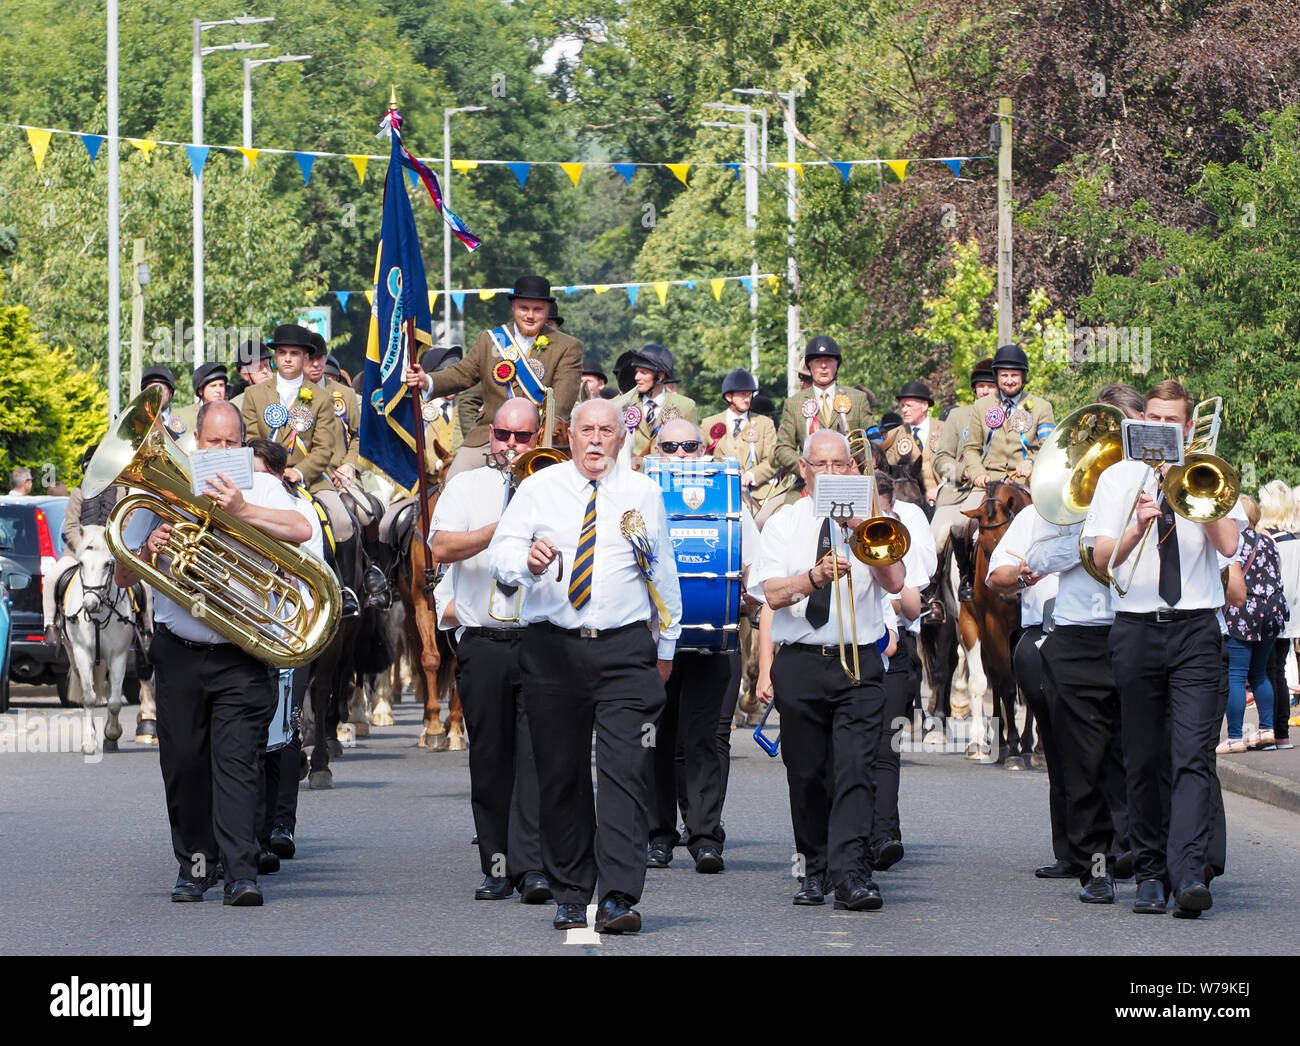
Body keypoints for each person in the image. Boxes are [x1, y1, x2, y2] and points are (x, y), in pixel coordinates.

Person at [488, 397, 681, 934]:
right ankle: (572, 893)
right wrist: (526, 561)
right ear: (568, 436)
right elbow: (502, 553)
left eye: (606, 431)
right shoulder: (538, 488)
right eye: (586, 431)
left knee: (626, 773)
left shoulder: (643, 492)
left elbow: (662, 571)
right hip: (554, 649)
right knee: (562, 774)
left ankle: (619, 896)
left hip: (624, 650)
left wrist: (666, 648)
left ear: (622, 438)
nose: (596, 441)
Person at [114, 400, 313, 906]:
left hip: (241, 653)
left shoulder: (265, 487)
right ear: (196, 443)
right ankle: (194, 868)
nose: (222, 451)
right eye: (213, 442)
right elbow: (122, 575)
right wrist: (147, 549)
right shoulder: (160, 492)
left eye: (231, 443)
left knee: (236, 761)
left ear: (243, 445)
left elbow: (302, 530)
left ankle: (240, 874)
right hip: (179, 652)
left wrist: (243, 511)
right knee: (183, 765)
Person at [1083, 379, 1246, 918]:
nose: (1160, 428)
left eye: (1171, 421)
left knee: (1193, 757)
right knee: (1145, 756)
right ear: (1141, 421)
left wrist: (1199, 488)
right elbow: (1103, 557)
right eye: (1151, 419)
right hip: (1135, 627)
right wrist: (1136, 525)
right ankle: (1150, 872)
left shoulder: (1209, 472)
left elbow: (1228, 546)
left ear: (1187, 425)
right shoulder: (1116, 478)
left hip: (1197, 629)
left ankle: (1190, 874)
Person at [750, 429, 906, 910]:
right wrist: (812, 578)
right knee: (808, 773)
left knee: (857, 769)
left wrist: (863, 528)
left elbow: (896, 581)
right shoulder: (784, 523)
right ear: (804, 470)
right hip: (802, 659)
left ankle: (853, 874)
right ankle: (812, 867)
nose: (833, 474)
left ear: (853, 470)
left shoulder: (876, 520)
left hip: (858, 660)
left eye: (842, 465)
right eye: (823, 465)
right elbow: (771, 594)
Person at [1026, 383, 1144, 903]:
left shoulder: (1149, 489)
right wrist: (1093, 539)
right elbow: (1036, 560)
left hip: (1136, 629)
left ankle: (1138, 852)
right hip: (1077, 637)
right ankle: (1095, 867)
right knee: (1086, 759)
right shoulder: (1070, 501)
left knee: (1135, 752)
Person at [429, 399, 549, 903]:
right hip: (486, 642)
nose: (513, 446)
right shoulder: (466, 485)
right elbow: (440, 548)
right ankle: (497, 865)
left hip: (543, 639)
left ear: (538, 436)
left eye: (524, 437)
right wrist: (502, 528)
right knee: (492, 760)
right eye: (504, 435)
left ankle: (535, 868)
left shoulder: (556, 485)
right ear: (490, 435)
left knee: (539, 758)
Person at [645, 419, 760, 874]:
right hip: (656, 643)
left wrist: (754, 590)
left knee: (708, 739)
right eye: (670, 446)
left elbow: (751, 564)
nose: (680, 454)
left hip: (716, 637)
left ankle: (705, 835)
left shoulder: (730, 500)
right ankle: (658, 834)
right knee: (656, 737)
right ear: (656, 450)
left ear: (705, 450)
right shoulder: (638, 496)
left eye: (690, 446)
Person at [411, 275, 583, 479]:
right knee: (453, 480)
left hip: (536, 439)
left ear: (547, 310)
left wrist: (545, 432)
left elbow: (563, 397)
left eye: (537, 310)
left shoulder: (567, 346)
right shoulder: (489, 340)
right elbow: (462, 373)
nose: (530, 315)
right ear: (513, 307)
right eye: (524, 308)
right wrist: (427, 380)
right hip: (490, 436)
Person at [241, 324, 357, 615]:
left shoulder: (320, 398)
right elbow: (251, 440)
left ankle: (344, 591)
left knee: (343, 523)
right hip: (264, 476)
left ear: (306, 358)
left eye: (295, 353)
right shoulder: (254, 394)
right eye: (282, 353)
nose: (288, 359)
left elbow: (324, 449)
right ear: (274, 358)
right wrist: (270, 471)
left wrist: (299, 472)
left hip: (310, 479)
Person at [247, 437, 324, 872]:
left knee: (286, 729)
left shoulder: (297, 506)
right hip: (244, 629)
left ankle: (281, 824)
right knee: (251, 733)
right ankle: (250, 832)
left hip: (289, 630)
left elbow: (312, 569)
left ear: (276, 476)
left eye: (261, 473)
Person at [953, 344, 1055, 601]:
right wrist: (976, 472)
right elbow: (972, 448)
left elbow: (1050, 448)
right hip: (988, 484)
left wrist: (1031, 462)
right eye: (1004, 375)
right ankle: (966, 577)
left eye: (1014, 375)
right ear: (997, 377)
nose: (1009, 380)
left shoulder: (1040, 407)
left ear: (1023, 377)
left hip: (1026, 484)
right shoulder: (982, 406)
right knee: (958, 525)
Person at [868, 471, 932, 872]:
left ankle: (886, 834)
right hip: (852, 649)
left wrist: (891, 562)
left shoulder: (898, 536)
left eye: (885, 507)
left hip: (894, 654)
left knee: (886, 746)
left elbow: (910, 606)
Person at [1218, 495, 1286, 753]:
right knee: (1260, 673)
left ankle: (1235, 736)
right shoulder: (1268, 541)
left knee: (1236, 674)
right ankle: (1267, 730)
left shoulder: (1233, 541)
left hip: (1241, 613)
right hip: (1269, 614)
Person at [773, 336, 875, 499]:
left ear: (837, 365)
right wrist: (807, 467)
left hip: (851, 480)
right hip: (807, 484)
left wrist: (859, 465)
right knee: (766, 518)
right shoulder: (794, 403)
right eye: (817, 361)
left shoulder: (858, 398)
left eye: (828, 360)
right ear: (809, 366)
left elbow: (872, 441)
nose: (823, 366)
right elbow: (782, 448)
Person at [42, 445, 121, 646]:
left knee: (144, 585)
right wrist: (84, 550)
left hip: (110, 552)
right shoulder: (78, 493)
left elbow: (125, 522)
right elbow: (70, 527)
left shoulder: (120, 492)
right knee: (51, 577)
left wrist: (111, 548)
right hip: (79, 552)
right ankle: (50, 625)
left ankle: (145, 629)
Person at [702, 368, 789, 527]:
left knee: (765, 525)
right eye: (742, 394)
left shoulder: (765, 424)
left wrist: (751, 475)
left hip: (758, 496)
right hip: (720, 493)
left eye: (749, 394)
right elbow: (699, 456)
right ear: (729, 397)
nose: (747, 399)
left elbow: (773, 460)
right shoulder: (709, 423)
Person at [612, 344, 698, 470]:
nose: (637, 377)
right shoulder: (620, 404)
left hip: (670, 476)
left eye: (644, 373)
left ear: (660, 376)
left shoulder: (686, 406)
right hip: (630, 479)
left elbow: (693, 448)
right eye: (636, 372)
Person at [1258, 480, 1298, 751]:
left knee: (1266, 671)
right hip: (1292, 614)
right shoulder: (1296, 540)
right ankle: (1281, 732)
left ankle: (1269, 730)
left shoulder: (1266, 540)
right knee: (1279, 671)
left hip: (1270, 613)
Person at [229, 338, 272, 410]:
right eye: (258, 367)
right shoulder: (234, 408)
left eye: (266, 365)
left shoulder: (287, 395)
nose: (265, 370)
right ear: (245, 374)